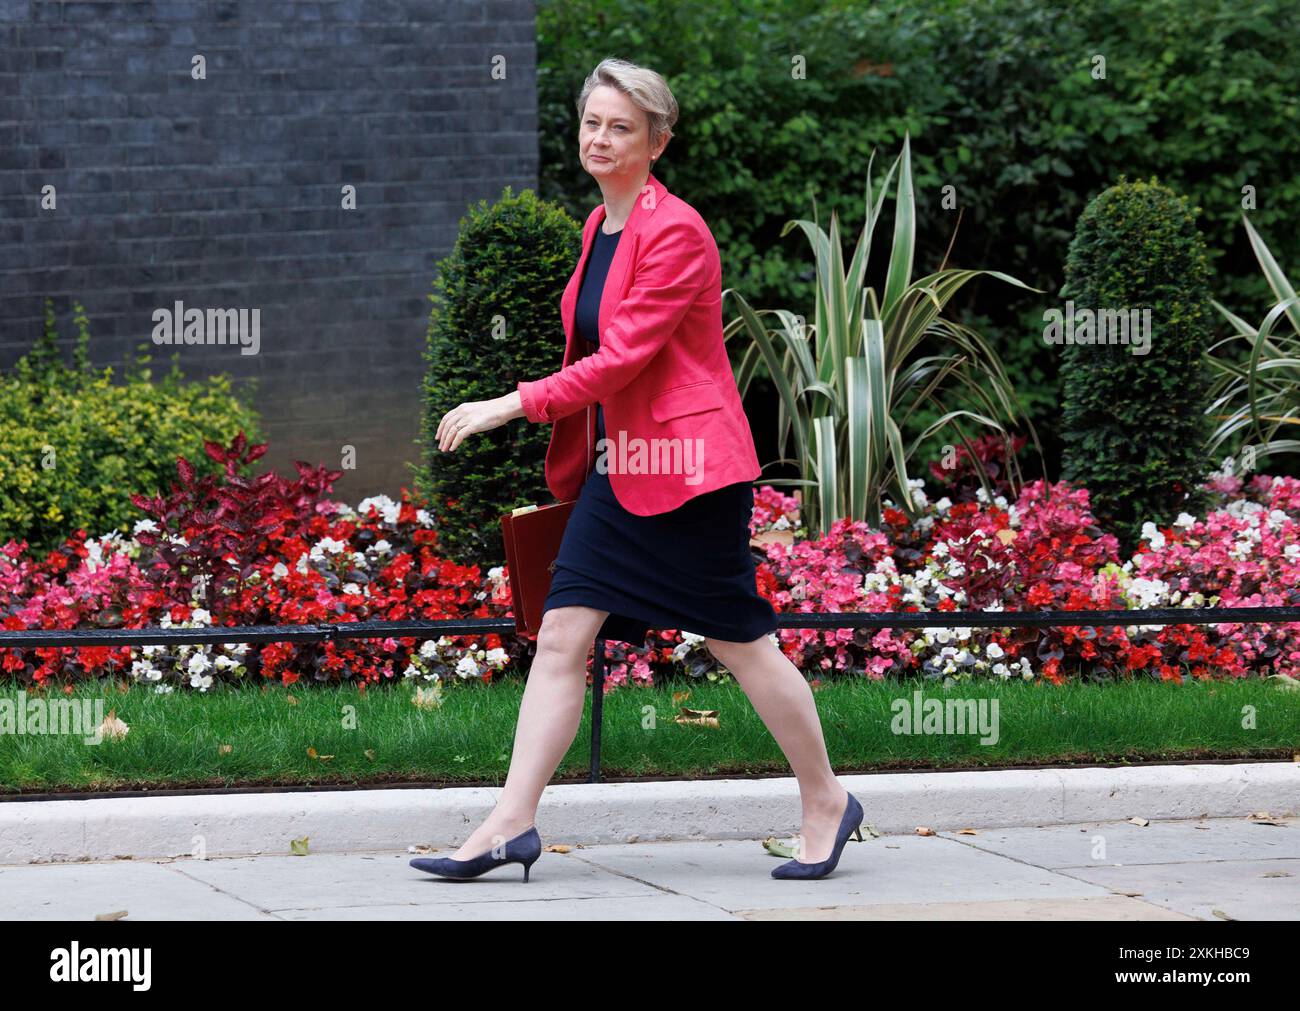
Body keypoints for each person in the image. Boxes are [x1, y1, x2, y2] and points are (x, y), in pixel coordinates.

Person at [413, 58, 863, 883]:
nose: (601, 138)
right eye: (592, 121)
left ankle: (827, 799)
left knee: (744, 646)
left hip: (689, 473)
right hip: (623, 471)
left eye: (621, 126)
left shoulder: (677, 231)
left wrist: (511, 405)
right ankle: (511, 823)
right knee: (560, 635)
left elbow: (620, 360)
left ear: (657, 139)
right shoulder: (599, 225)